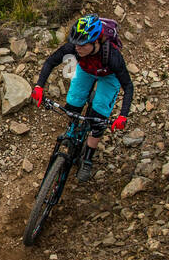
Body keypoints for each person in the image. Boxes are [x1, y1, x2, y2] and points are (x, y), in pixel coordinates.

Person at [31, 14, 133, 182]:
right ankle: (73, 132)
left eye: (82, 45)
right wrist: (39, 86)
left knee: (98, 119)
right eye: (75, 43)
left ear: (96, 42)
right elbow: (51, 62)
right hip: (86, 70)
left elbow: (128, 86)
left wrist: (123, 115)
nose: (77, 48)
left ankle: (87, 159)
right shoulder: (75, 47)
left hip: (108, 76)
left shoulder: (113, 57)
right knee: (72, 105)